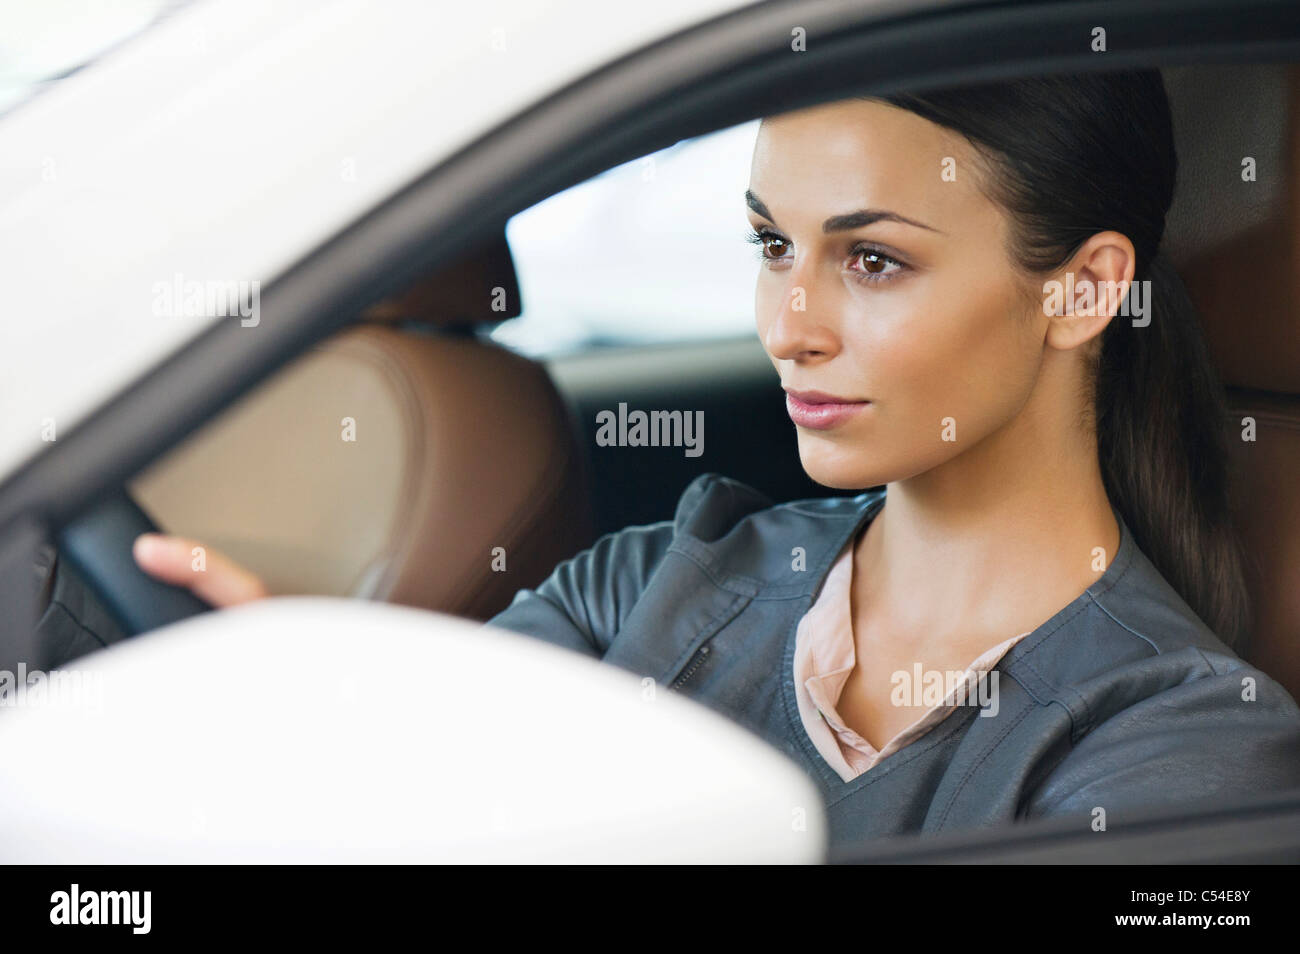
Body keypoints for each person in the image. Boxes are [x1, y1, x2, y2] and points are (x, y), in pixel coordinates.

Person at [37, 70, 1300, 847]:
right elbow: (418, 801)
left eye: (871, 260)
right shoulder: (652, 580)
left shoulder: (1185, 752)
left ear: (1082, 293)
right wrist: (309, 712)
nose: (785, 324)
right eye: (769, 245)